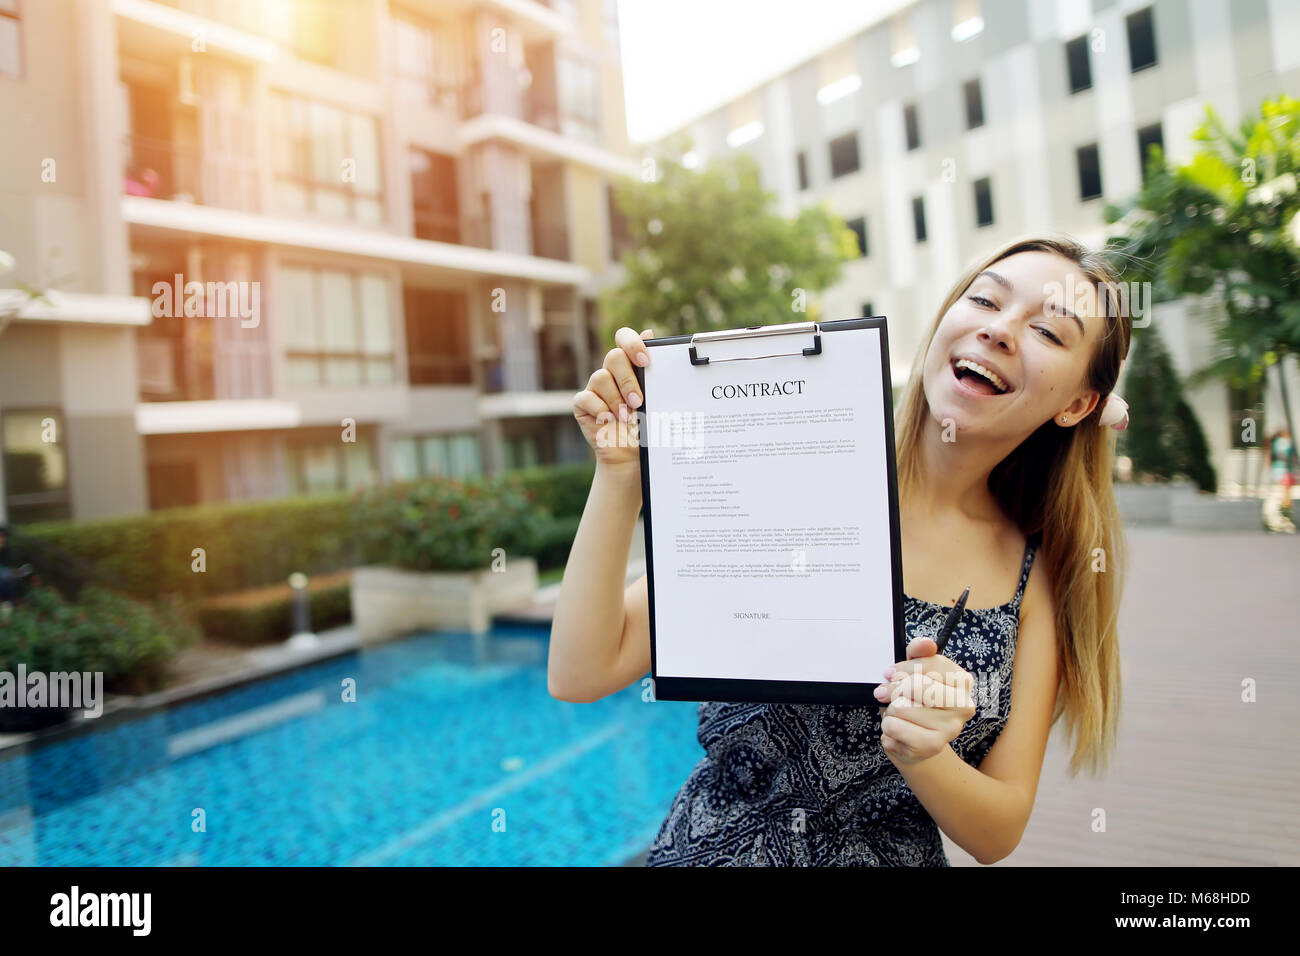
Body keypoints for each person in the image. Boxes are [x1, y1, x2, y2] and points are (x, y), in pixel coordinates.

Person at [551, 234, 1131, 866]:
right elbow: (582, 672)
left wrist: (925, 753)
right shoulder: (787, 478)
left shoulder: (1033, 575)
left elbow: (998, 833)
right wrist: (618, 478)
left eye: (1049, 332)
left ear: (1077, 404)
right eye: (985, 300)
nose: (1000, 330)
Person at [1263, 427, 1296, 533]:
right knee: (1284, 495)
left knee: (1282, 495)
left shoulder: (1277, 443)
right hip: (1284, 473)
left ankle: (1282, 518)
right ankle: (1282, 518)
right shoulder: (1284, 443)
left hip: (1281, 472)